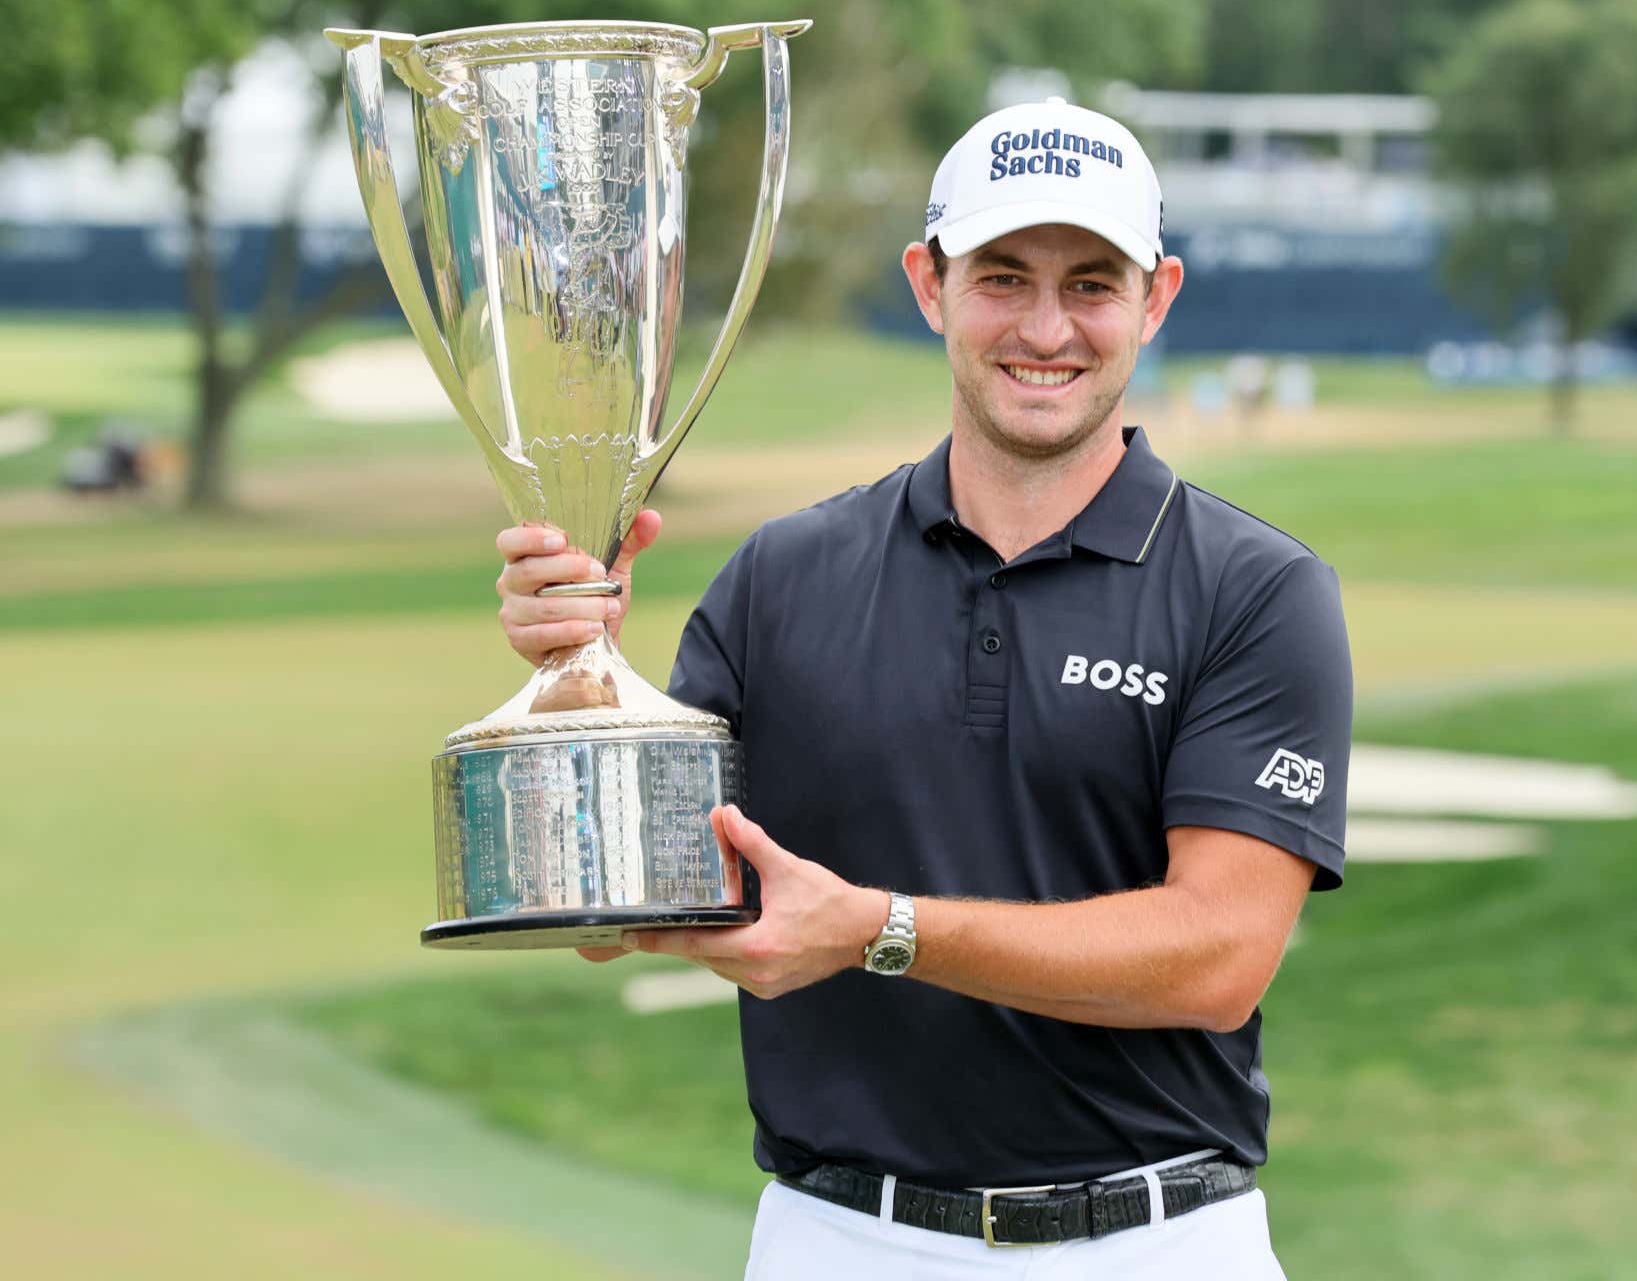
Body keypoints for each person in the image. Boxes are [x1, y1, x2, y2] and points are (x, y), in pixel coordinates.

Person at [495, 99, 1352, 1278]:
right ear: (926, 283)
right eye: (1001, 277)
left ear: (1155, 299)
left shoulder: (1255, 592)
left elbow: (1215, 958)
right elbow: (623, 913)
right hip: (837, 1238)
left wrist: (877, 932)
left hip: (1154, 1243)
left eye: (1091, 284)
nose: (1045, 328)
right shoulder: (783, 576)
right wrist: (577, 683)